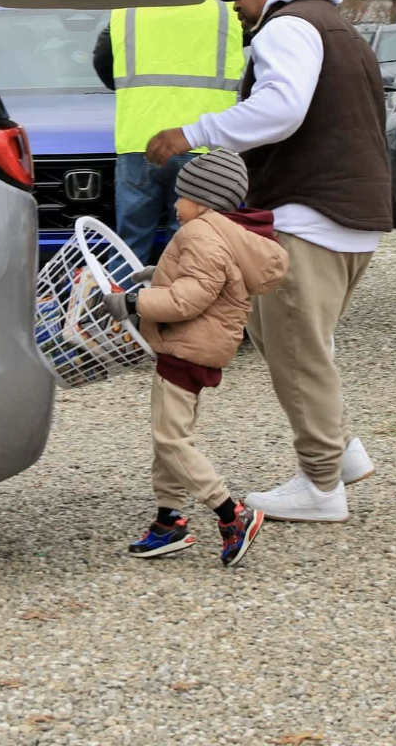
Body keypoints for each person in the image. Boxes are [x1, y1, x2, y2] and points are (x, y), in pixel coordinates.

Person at [145, 0, 391, 522]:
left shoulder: (287, 25)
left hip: (309, 213)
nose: (231, 4)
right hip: (353, 216)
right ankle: (343, 452)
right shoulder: (342, 28)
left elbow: (282, 108)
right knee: (308, 342)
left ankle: (321, 484)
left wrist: (192, 132)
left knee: (294, 349)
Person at [103, 149, 288, 566]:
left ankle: (230, 513)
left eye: (182, 196)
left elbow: (188, 299)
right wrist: (158, 275)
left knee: (171, 438)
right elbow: (204, 281)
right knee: (168, 436)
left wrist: (134, 302)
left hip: (185, 346)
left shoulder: (202, 235)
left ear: (204, 201)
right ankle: (168, 521)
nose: (174, 203)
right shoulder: (221, 233)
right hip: (195, 346)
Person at [92, 0, 244, 264]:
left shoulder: (128, 10)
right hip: (202, 143)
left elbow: (104, 61)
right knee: (193, 245)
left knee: (129, 245)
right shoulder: (227, 10)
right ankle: (182, 302)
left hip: (140, 139)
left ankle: (122, 303)